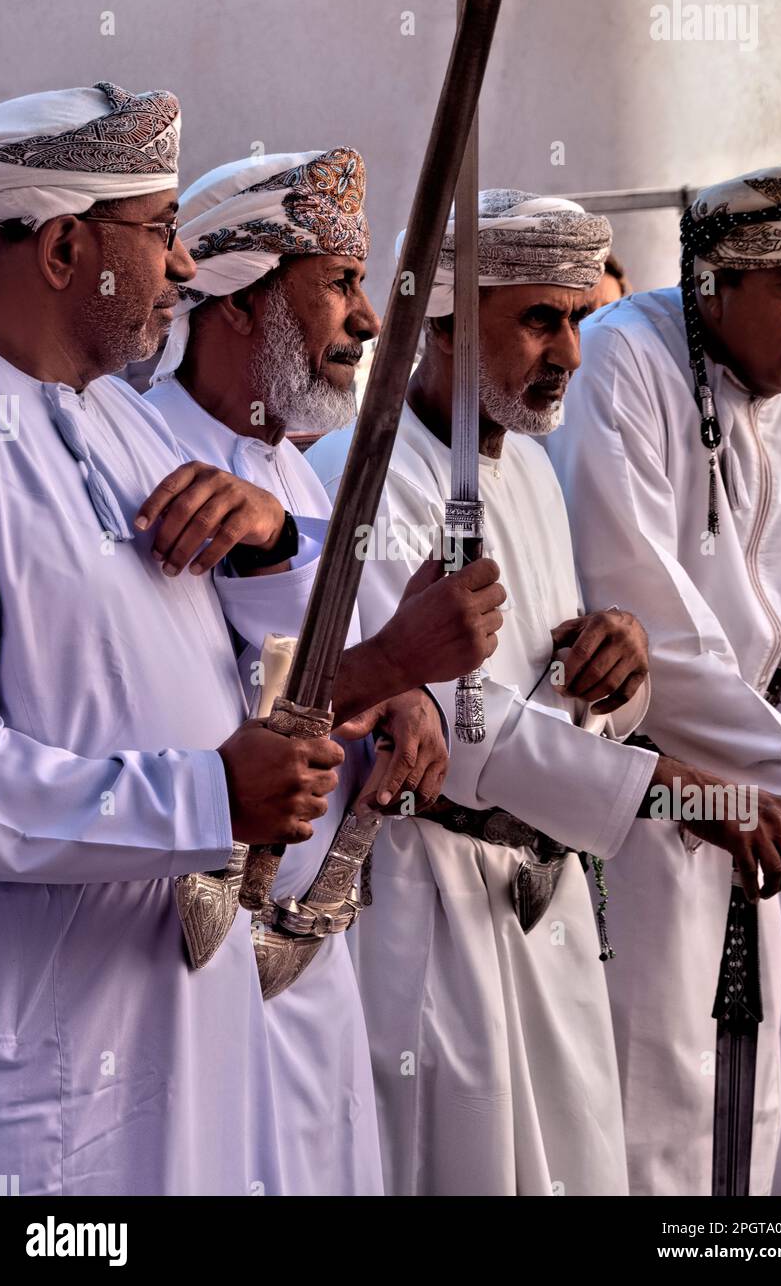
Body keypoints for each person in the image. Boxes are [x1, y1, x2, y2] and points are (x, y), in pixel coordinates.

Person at [0, 85, 496, 1197]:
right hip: (44, 1058)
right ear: (65, 246)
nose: (177, 267)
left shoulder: (104, 416)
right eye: (159, 234)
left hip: (187, 1017)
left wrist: (272, 550)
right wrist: (207, 800)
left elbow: (238, 658)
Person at [308, 188, 781, 1196]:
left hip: (549, 914)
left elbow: (556, 694)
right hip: (433, 909)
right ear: (442, 323)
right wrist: (680, 788)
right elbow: (460, 721)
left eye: (578, 319)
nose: (570, 354)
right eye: (541, 318)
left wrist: (618, 666)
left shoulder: (530, 473)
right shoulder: (353, 476)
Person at [145, 148, 507, 1193]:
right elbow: (213, 720)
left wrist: (405, 698)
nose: (364, 320)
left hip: (312, 955)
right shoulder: (155, 464)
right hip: (199, 965)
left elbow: (332, 667)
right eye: (337, 285)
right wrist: (394, 661)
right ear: (239, 301)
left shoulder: (289, 467)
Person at [550, 162, 781, 1195]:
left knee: (755, 1111)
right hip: (633, 780)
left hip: (773, 809)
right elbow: (645, 621)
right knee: (640, 1106)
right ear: (713, 284)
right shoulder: (621, 362)